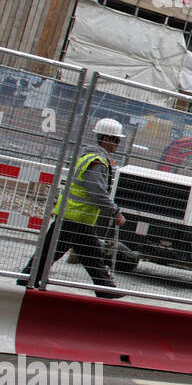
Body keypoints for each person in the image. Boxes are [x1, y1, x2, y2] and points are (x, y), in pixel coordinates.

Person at [19, 117, 128, 299]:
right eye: (116, 140)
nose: (118, 144)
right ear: (105, 139)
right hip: (76, 218)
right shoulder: (96, 162)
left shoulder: (88, 157)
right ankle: (105, 288)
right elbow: (98, 192)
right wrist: (115, 212)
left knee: (74, 254)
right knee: (83, 256)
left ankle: (105, 287)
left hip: (73, 217)